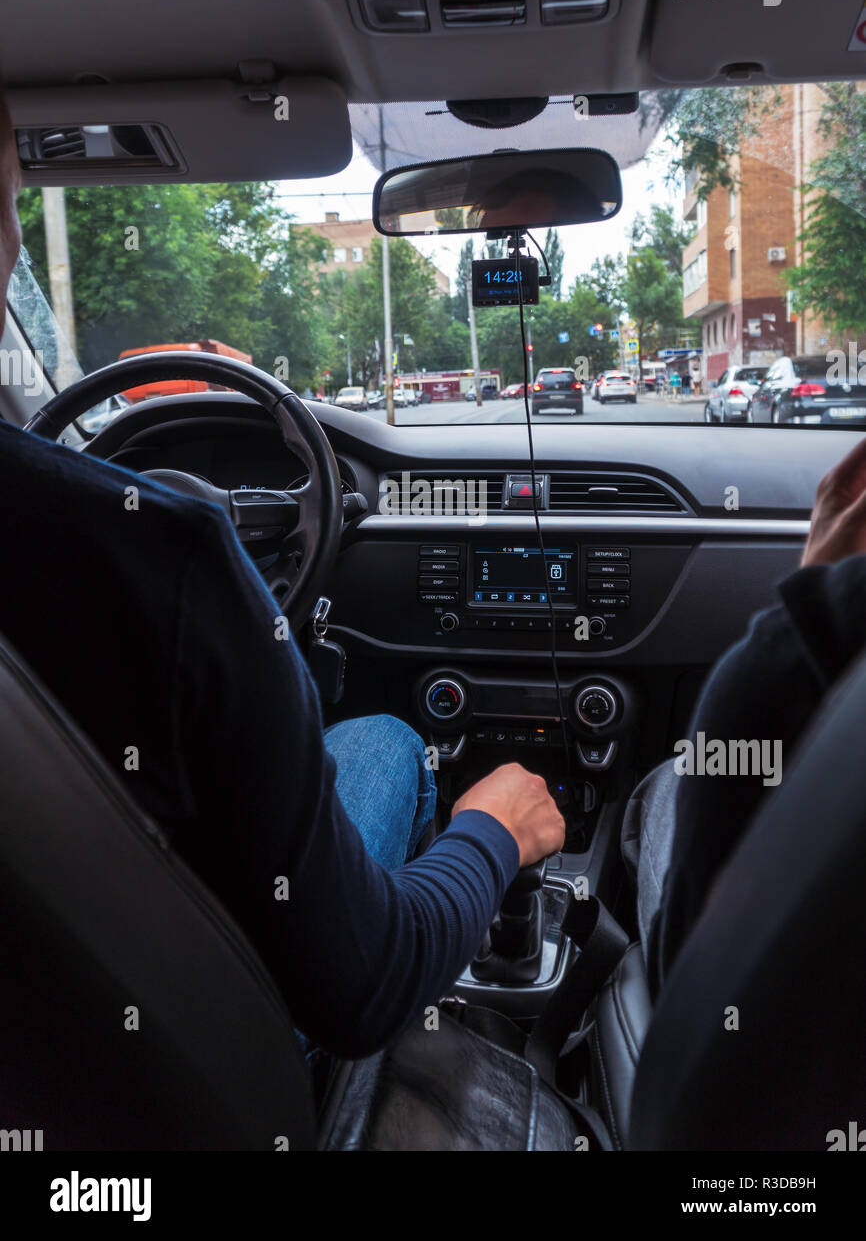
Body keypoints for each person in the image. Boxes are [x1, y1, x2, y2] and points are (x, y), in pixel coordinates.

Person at [0, 94, 565, 1070]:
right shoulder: (173, 558)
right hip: (191, 1070)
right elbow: (366, 982)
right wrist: (491, 833)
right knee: (386, 739)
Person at [624, 433, 866, 997]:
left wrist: (812, 615)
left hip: (731, 1047)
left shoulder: (779, 673)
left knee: (668, 780)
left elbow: (690, 985)